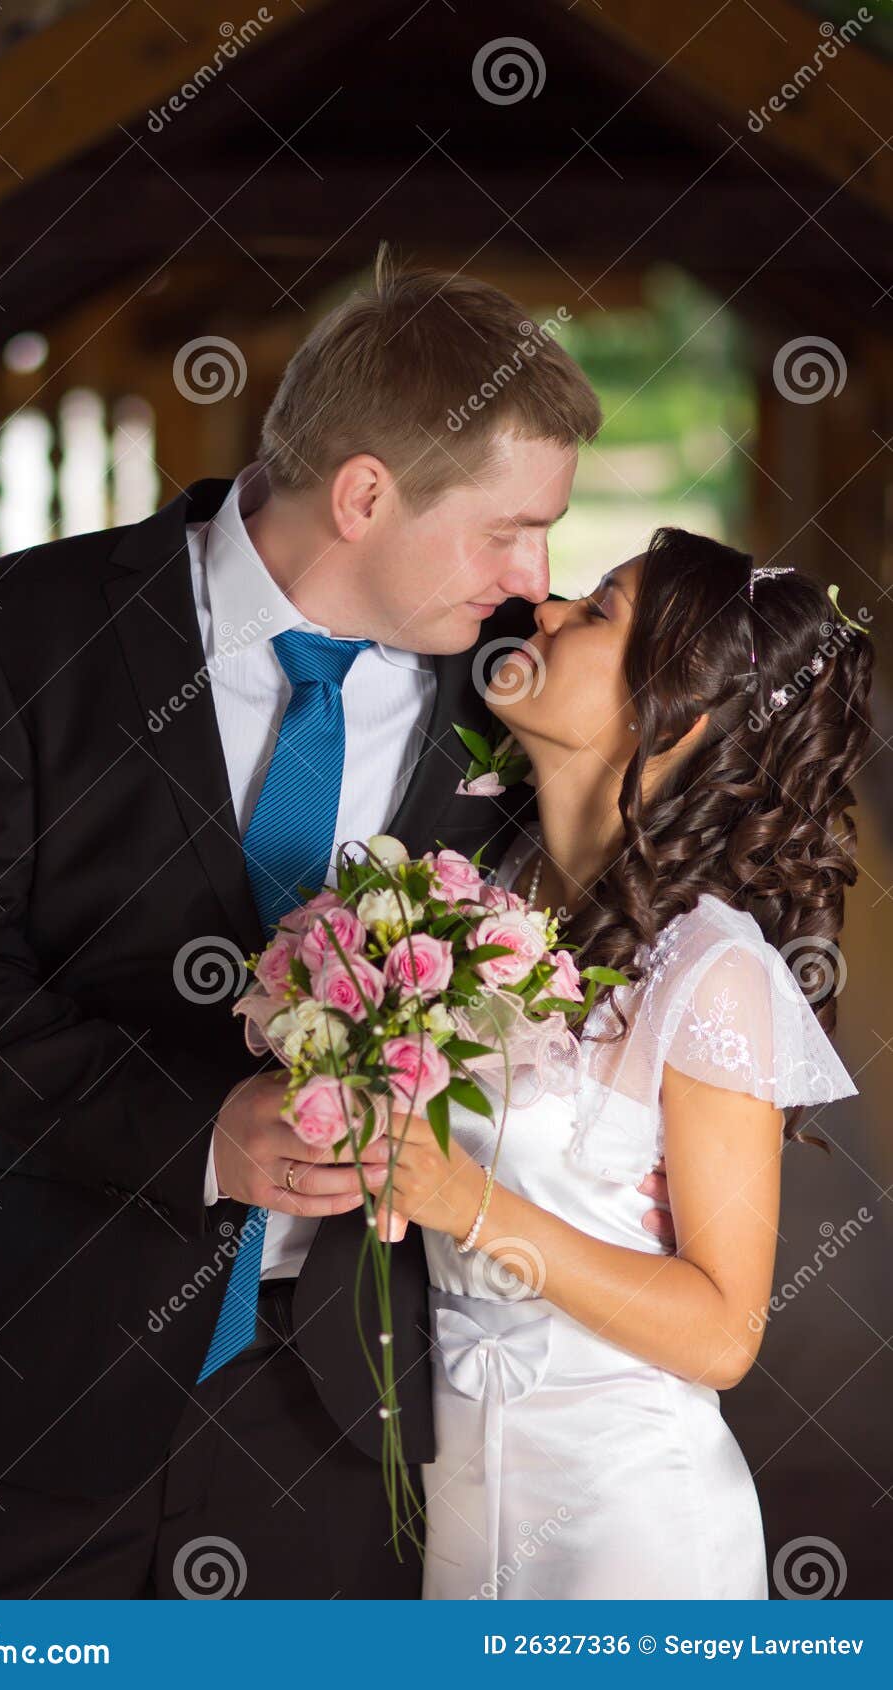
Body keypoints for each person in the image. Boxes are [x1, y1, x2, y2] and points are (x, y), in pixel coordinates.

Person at [0, 250, 670, 1598]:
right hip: (47, 1374)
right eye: (505, 527)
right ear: (363, 493)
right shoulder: (32, 625)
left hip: (351, 1403)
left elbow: (639, 886)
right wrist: (197, 1133)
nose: (533, 575)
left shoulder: (509, 684)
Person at [383, 529, 872, 1599]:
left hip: (624, 1528)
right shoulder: (486, 890)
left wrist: (462, 1201)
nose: (545, 611)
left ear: (675, 718)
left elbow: (720, 1329)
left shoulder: (708, 971)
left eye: (595, 610)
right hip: (459, 1492)